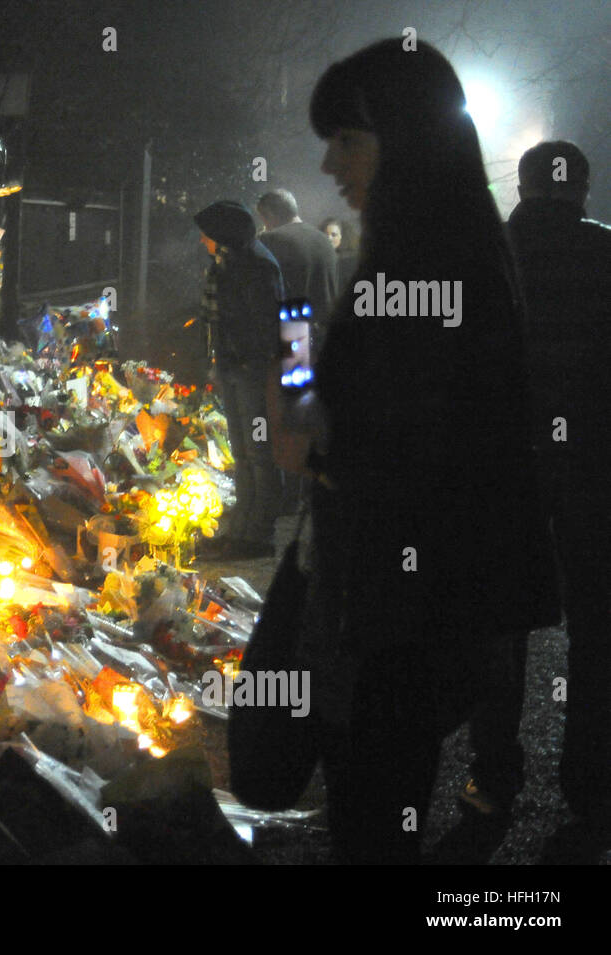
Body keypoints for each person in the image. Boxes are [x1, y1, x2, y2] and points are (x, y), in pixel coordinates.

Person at [287, 38, 560, 863]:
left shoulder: (419, 273)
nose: (331, 163)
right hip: (421, 610)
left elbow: (347, 441)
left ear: (409, 141)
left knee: (371, 817)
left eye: (349, 139)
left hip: (394, 616)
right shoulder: (460, 255)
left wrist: (302, 371)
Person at [463, 141, 611, 858]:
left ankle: (494, 775)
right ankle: (591, 784)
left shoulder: (486, 254)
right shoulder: (605, 254)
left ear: (520, 185)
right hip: (593, 465)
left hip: (505, 469)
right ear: (583, 189)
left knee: (502, 625)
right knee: (596, 627)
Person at [193, 199, 284, 560]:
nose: (203, 242)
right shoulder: (227, 264)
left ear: (224, 234)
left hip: (252, 373)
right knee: (242, 454)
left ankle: (259, 535)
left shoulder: (257, 266)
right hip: (233, 369)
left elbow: (266, 324)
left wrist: (247, 362)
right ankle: (240, 531)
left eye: (207, 235)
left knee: (260, 453)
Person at [256, 190, 338, 516]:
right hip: (324, 336)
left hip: (293, 337)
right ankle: (313, 485)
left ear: (268, 215)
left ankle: (288, 494)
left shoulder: (274, 241)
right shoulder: (321, 239)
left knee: (288, 418)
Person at [256, 189, 339, 319]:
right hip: (326, 327)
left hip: (293, 329)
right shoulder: (324, 240)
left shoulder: (270, 239)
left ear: (270, 215)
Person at [320, 216, 359, 290]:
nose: (329, 238)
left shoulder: (350, 261)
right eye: (326, 235)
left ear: (342, 237)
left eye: (333, 235)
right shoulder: (320, 260)